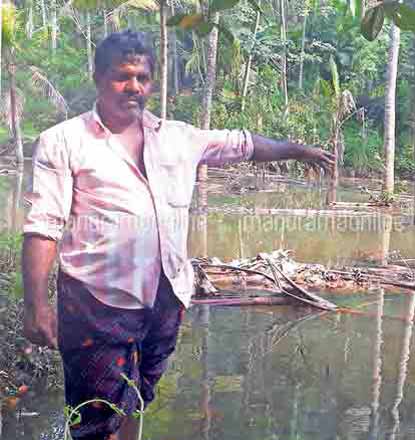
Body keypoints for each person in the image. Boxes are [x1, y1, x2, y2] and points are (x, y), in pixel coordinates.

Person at [20, 30, 334, 440]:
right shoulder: (63, 141)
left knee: (137, 396)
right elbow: (43, 226)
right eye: (122, 76)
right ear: (98, 78)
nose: (134, 86)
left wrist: (296, 150)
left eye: (143, 78)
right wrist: (36, 305)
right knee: (95, 418)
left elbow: (244, 144)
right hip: (95, 303)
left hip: (165, 299)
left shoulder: (179, 138)